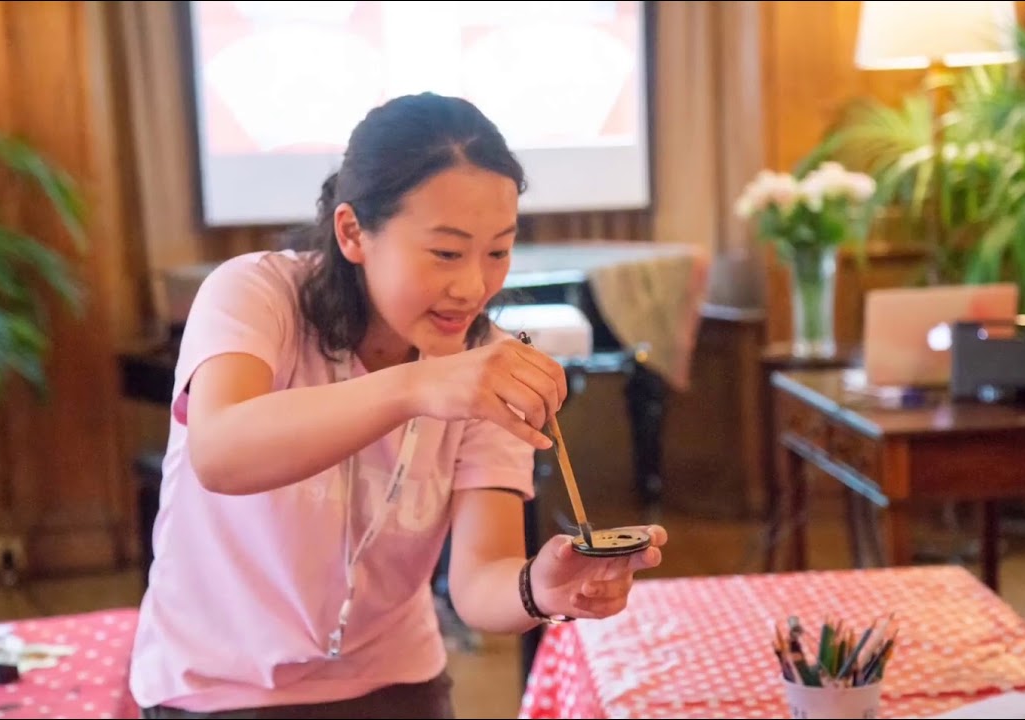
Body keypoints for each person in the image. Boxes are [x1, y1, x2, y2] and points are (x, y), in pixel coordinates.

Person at [129, 92, 669, 719]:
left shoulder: (486, 367)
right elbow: (221, 453)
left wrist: (539, 588)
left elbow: (479, 582)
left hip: (395, 681)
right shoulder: (256, 294)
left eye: (498, 251)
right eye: (446, 253)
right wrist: (418, 387)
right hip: (213, 688)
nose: (473, 286)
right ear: (353, 232)